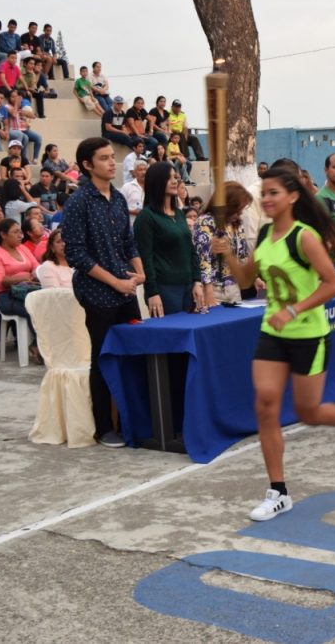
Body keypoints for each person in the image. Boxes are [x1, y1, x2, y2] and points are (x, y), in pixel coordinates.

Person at [213, 165, 335, 522]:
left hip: (309, 334)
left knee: (308, 412)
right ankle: (278, 491)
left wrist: (294, 309)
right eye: (264, 193)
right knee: (266, 405)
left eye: (274, 193)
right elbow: (245, 277)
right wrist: (226, 252)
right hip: (273, 334)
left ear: (292, 197)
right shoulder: (267, 233)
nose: (267, 199)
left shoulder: (304, 237)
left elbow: (333, 284)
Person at [63, 137, 145, 448]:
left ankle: (132, 420)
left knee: (133, 354)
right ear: (87, 165)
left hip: (125, 288)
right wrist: (115, 281)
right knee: (103, 357)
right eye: (104, 158)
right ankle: (103, 427)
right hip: (97, 292)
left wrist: (139, 271)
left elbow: (128, 243)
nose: (112, 163)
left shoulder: (120, 199)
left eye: (113, 157)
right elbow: (77, 255)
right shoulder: (79, 201)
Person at [133, 162, 205, 317]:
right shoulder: (146, 217)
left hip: (189, 287)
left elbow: (191, 250)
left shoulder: (179, 214)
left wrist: (197, 281)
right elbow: (146, 258)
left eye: (175, 177)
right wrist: (152, 292)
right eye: (168, 178)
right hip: (165, 289)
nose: (174, 181)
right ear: (156, 181)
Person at [0, 218, 42, 363]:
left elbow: (35, 266)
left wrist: (34, 275)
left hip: (29, 290)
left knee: (47, 305)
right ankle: (38, 347)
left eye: (20, 232)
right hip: (6, 295)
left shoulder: (22, 248)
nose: (20, 236)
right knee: (33, 309)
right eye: (15, 232)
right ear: (3, 235)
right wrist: (21, 277)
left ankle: (39, 345)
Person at [193, 182, 253, 305]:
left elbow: (242, 255)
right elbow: (203, 260)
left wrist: (254, 278)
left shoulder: (236, 224)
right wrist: (208, 293)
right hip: (215, 289)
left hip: (234, 288)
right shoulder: (205, 222)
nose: (239, 215)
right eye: (237, 211)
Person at [6, 89, 41, 161]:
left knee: (38, 138)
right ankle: (20, 157)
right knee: (24, 137)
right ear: (9, 98)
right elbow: (14, 114)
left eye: (16, 97)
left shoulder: (20, 107)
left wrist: (24, 111)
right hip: (13, 129)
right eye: (13, 97)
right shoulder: (7, 106)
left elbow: (33, 116)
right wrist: (16, 104)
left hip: (23, 129)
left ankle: (35, 159)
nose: (15, 99)